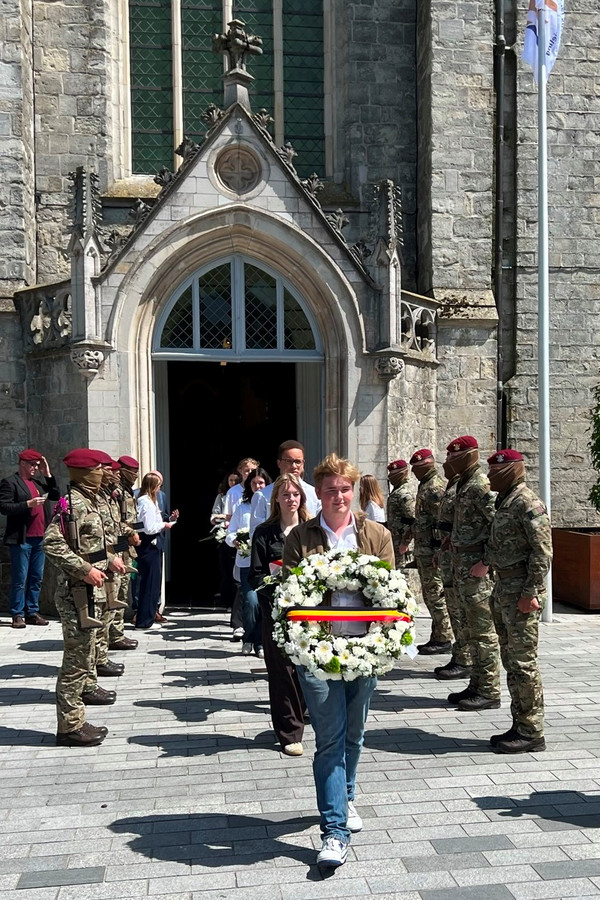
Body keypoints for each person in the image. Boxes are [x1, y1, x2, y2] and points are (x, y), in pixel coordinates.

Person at [283, 453, 394, 870]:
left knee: (355, 735)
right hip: (318, 651)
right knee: (330, 740)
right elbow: (292, 596)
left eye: (344, 489)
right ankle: (334, 832)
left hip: (365, 651)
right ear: (320, 493)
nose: (338, 496)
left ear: (354, 491)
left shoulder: (376, 534)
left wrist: (382, 633)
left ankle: (344, 798)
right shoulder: (301, 537)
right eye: (330, 490)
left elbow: (390, 594)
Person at [43, 448, 124, 747]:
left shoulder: (90, 501)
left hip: (94, 591)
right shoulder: (71, 505)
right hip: (77, 592)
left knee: (86, 654)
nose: (102, 473)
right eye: (97, 469)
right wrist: (85, 569)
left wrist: (110, 558)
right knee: (76, 661)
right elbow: (52, 545)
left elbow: (94, 544)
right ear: (84, 473)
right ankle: (69, 727)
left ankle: (76, 717)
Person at [484, 449, 551, 753]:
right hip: (504, 588)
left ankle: (532, 731)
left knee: (523, 663)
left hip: (520, 594)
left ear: (512, 470)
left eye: (495, 472)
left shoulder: (527, 503)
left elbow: (542, 552)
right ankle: (520, 723)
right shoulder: (505, 501)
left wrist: (531, 593)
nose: (489, 477)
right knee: (512, 661)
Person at [249, 473, 308, 756]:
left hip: (310, 612)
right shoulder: (264, 532)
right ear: (276, 500)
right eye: (285, 495)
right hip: (276, 611)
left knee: (306, 669)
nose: (291, 500)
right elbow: (255, 575)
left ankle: (304, 712)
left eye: (295, 495)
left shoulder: (312, 530)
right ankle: (289, 732)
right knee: (282, 671)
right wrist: (277, 589)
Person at [445, 435, 500, 711]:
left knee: (482, 630)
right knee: (469, 629)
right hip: (461, 568)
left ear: (469, 456)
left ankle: (490, 689)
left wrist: (486, 562)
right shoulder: (463, 483)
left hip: (476, 571)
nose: (450, 462)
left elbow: (497, 526)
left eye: (455, 457)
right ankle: (477, 683)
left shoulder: (480, 484)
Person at [0, 448, 60, 628]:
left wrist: (47, 474)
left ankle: (32, 611)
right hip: (22, 538)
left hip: (40, 537)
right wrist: (27, 504)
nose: (35, 468)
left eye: (37, 464)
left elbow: (55, 495)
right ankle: (17, 613)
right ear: (23, 464)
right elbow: (4, 507)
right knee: (20, 577)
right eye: (33, 465)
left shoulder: (38, 484)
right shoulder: (10, 483)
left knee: (36, 576)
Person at [410, 449, 453, 655]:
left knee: (436, 595)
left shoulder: (435, 487)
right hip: (425, 550)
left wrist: (439, 550)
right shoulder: (426, 485)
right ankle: (438, 635)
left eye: (417, 468)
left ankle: (444, 637)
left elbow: (442, 521)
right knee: (430, 595)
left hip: (432, 552)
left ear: (427, 465)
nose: (414, 473)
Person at [433, 461, 473, 680]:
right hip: (451, 557)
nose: (447, 461)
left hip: (465, 561)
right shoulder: (455, 487)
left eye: (452, 457)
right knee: (454, 608)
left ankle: (465, 659)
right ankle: (460, 656)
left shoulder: (469, 487)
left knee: (461, 613)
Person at [226, 467, 271, 656]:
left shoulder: (272, 506)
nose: (258, 486)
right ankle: (249, 638)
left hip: (267, 563)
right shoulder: (242, 508)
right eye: (254, 483)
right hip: (246, 561)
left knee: (263, 603)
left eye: (261, 483)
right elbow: (230, 533)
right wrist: (235, 541)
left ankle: (259, 642)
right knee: (251, 601)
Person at [108, 455, 142, 649]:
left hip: (127, 545)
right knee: (117, 591)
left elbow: (130, 518)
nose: (136, 476)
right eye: (133, 472)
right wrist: (130, 533)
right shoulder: (117, 491)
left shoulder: (128, 491)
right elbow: (117, 522)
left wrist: (137, 530)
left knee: (122, 590)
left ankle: (117, 632)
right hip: (119, 545)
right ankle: (114, 634)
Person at [250, 440, 319, 534]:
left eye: (298, 461)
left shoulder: (314, 493)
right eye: (289, 461)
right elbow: (255, 532)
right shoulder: (262, 495)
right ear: (279, 463)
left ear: (303, 463)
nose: (294, 466)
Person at [135, 473, 175, 630]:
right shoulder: (145, 502)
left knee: (153, 582)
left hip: (153, 545)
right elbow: (150, 527)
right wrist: (164, 526)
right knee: (149, 583)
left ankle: (148, 617)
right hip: (149, 544)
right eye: (158, 486)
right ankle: (144, 621)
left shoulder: (151, 501)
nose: (159, 489)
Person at [212, 472, 243, 635]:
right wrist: (219, 519)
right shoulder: (225, 496)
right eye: (230, 480)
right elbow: (215, 515)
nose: (233, 482)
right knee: (229, 575)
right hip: (229, 537)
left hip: (243, 541)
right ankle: (230, 605)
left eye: (235, 480)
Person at [386, 459, 415, 567]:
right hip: (394, 541)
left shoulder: (404, 494)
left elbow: (412, 520)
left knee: (402, 575)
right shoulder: (396, 492)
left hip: (401, 545)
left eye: (394, 474)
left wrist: (405, 542)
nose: (390, 477)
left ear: (403, 473)